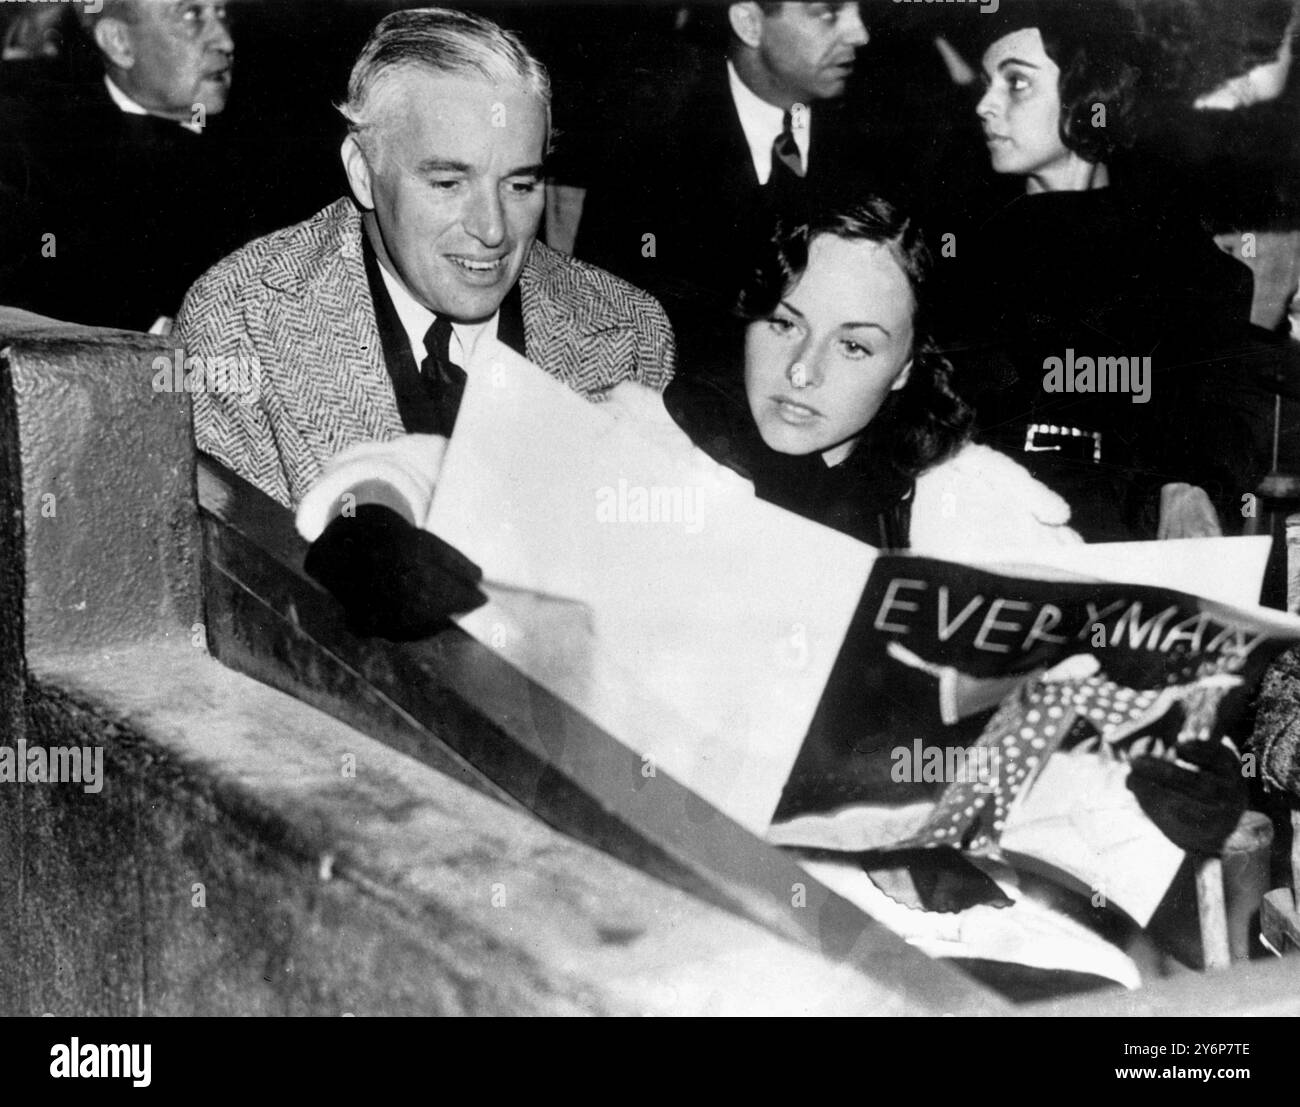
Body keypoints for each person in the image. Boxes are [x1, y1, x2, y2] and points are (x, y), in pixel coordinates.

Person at [293, 194, 1081, 645]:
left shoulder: (967, 507)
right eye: (782, 323)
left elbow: (1101, 665)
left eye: (855, 345)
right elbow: (455, 464)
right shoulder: (663, 444)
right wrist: (378, 521)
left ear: (909, 365)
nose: (802, 370)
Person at [175, 6, 676, 510]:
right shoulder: (239, 321)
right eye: (447, 184)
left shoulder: (630, 330)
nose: (493, 229)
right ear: (363, 172)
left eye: (521, 184)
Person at [938, 0, 1260, 543]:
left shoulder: (1183, 260)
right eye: (987, 85)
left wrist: (1189, 483)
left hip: (1123, 524)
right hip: (983, 514)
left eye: (1016, 84)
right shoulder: (956, 248)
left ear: (1088, 98)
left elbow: (1214, 403)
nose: (984, 107)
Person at [572, 1, 884, 372]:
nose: (859, 33)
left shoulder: (894, 132)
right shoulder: (649, 142)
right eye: (829, 13)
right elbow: (601, 323)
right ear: (749, 23)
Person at [8, 0, 256, 332]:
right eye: (191, 15)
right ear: (119, 43)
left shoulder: (285, 144)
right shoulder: (38, 154)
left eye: (222, 13)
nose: (225, 42)